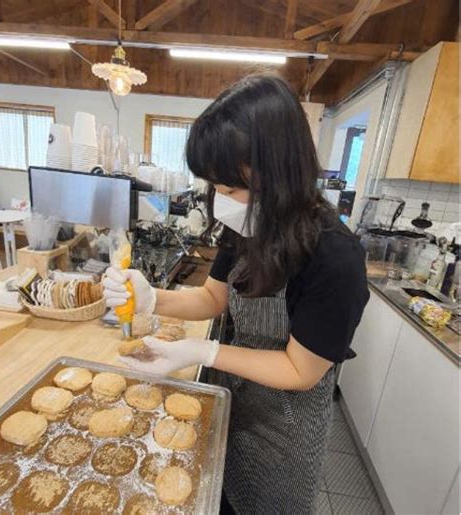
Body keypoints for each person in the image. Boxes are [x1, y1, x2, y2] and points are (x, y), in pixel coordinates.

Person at [104, 74, 369, 514]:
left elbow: (300, 370)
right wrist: (151, 298)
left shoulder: (335, 258)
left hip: (284, 430)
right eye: (216, 187)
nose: (221, 199)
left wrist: (203, 351)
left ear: (280, 172)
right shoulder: (249, 222)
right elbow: (213, 299)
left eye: (230, 188)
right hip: (230, 402)